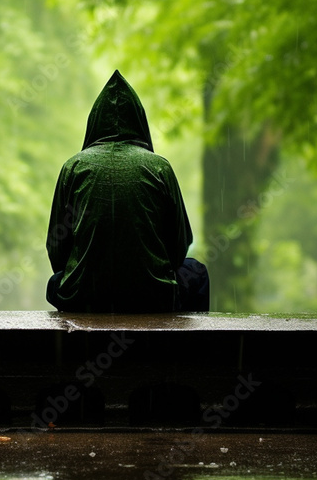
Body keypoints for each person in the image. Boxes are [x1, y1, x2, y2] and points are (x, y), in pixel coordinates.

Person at [46, 70, 209, 313]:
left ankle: (76, 348)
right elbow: (179, 247)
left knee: (55, 283)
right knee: (197, 272)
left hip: (84, 296)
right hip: (153, 296)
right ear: (139, 120)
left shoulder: (73, 167)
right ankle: (184, 349)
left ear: (94, 121)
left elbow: (57, 249)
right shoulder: (160, 167)